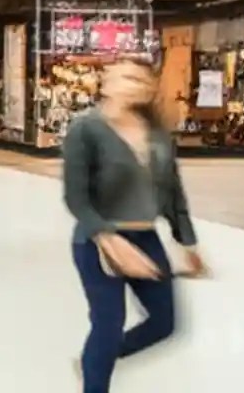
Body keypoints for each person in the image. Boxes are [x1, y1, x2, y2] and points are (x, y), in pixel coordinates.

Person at [63, 59, 209, 393]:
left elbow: (172, 192)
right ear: (106, 83)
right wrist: (109, 240)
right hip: (97, 241)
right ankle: (96, 374)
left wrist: (187, 243)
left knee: (164, 323)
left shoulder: (156, 133)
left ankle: (93, 361)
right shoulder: (86, 129)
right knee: (108, 325)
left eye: (143, 80)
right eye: (127, 77)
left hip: (146, 237)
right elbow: (76, 198)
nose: (135, 85)